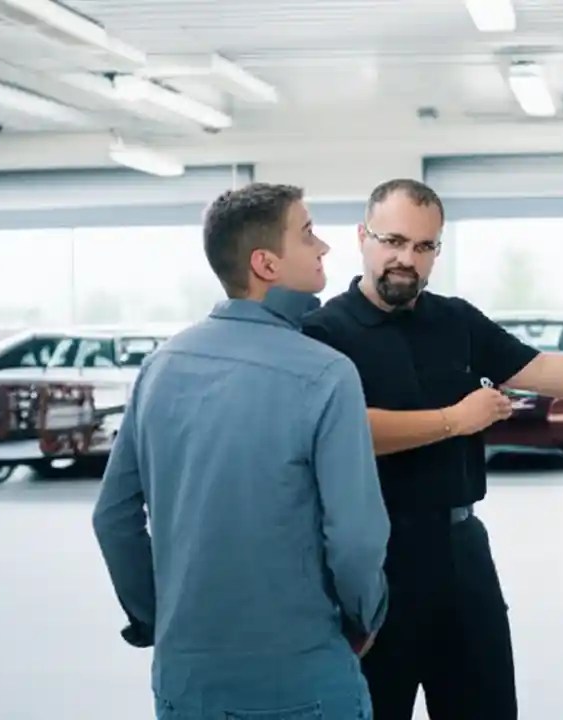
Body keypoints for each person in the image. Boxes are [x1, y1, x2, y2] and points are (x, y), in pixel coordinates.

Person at [301, 178, 563, 720]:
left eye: (424, 246)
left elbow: (543, 369)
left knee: (486, 705)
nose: (406, 258)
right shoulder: (322, 332)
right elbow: (339, 430)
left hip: (461, 550)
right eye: (393, 241)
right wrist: (455, 420)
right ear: (363, 236)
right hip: (372, 558)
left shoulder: (453, 319)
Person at [91, 183, 392, 719]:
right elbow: (356, 536)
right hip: (303, 680)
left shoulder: (161, 366)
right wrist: (365, 618)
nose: (323, 247)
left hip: (186, 681)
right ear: (265, 264)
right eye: (307, 234)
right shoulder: (326, 374)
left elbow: (113, 518)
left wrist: (160, 619)